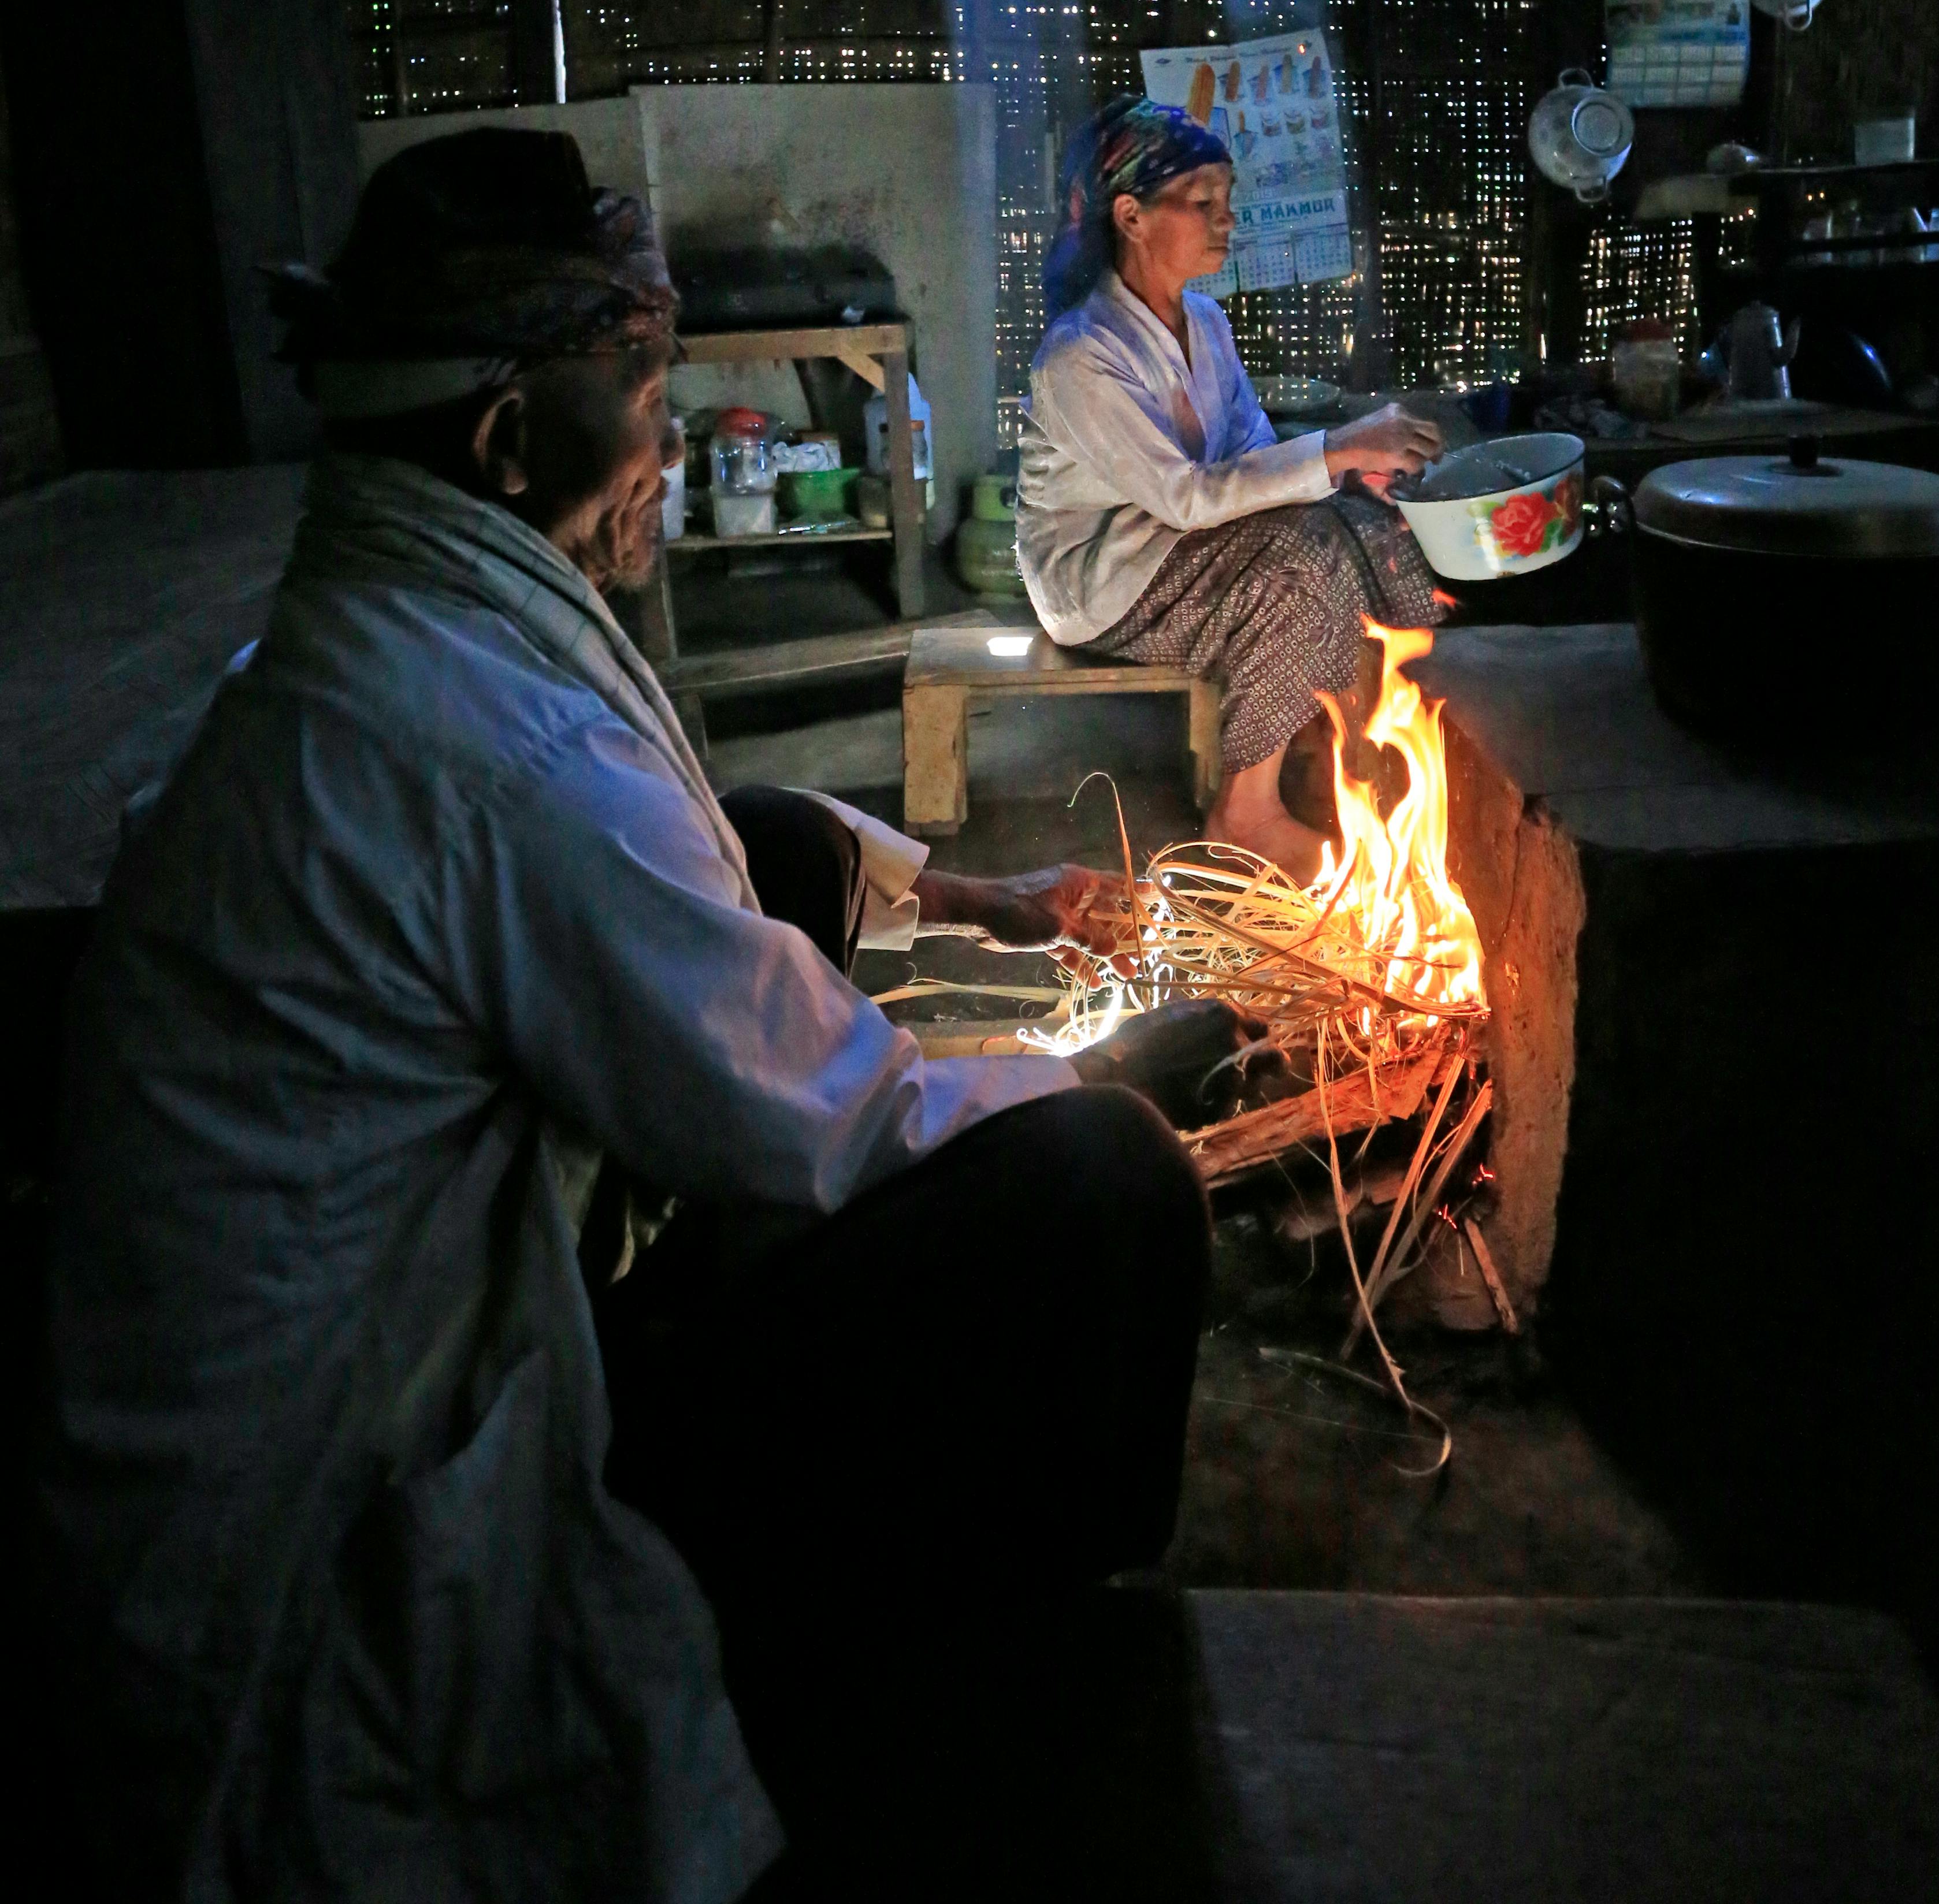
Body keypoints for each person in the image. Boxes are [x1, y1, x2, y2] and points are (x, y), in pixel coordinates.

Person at [39, 129, 1217, 1904]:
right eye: (644, 402)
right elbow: (836, 1121)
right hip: (323, 1543)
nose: (668, 451)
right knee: (1105, 1190)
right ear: (512, 440)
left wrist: (987, 902)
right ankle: (996, 1688)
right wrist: (1093, 1068)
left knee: (766, 858)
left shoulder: (361, 643)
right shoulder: (495, 753)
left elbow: (709, 871)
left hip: (283, 1419)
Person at [1016, 94, 1446, 886]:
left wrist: (1353, 474)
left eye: (1229, 200)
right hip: (1108, 581)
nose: (1226, 220)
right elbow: (1184, 499)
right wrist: (1341, 447)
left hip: (1191, 548)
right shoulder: (1078, 356)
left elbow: (1248, 451)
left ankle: (1340, 751)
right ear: (1131, 216)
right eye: (1203, 202)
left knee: (1368, 524)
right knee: (1300, 558)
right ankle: (1245, 814)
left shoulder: (1206, 324)